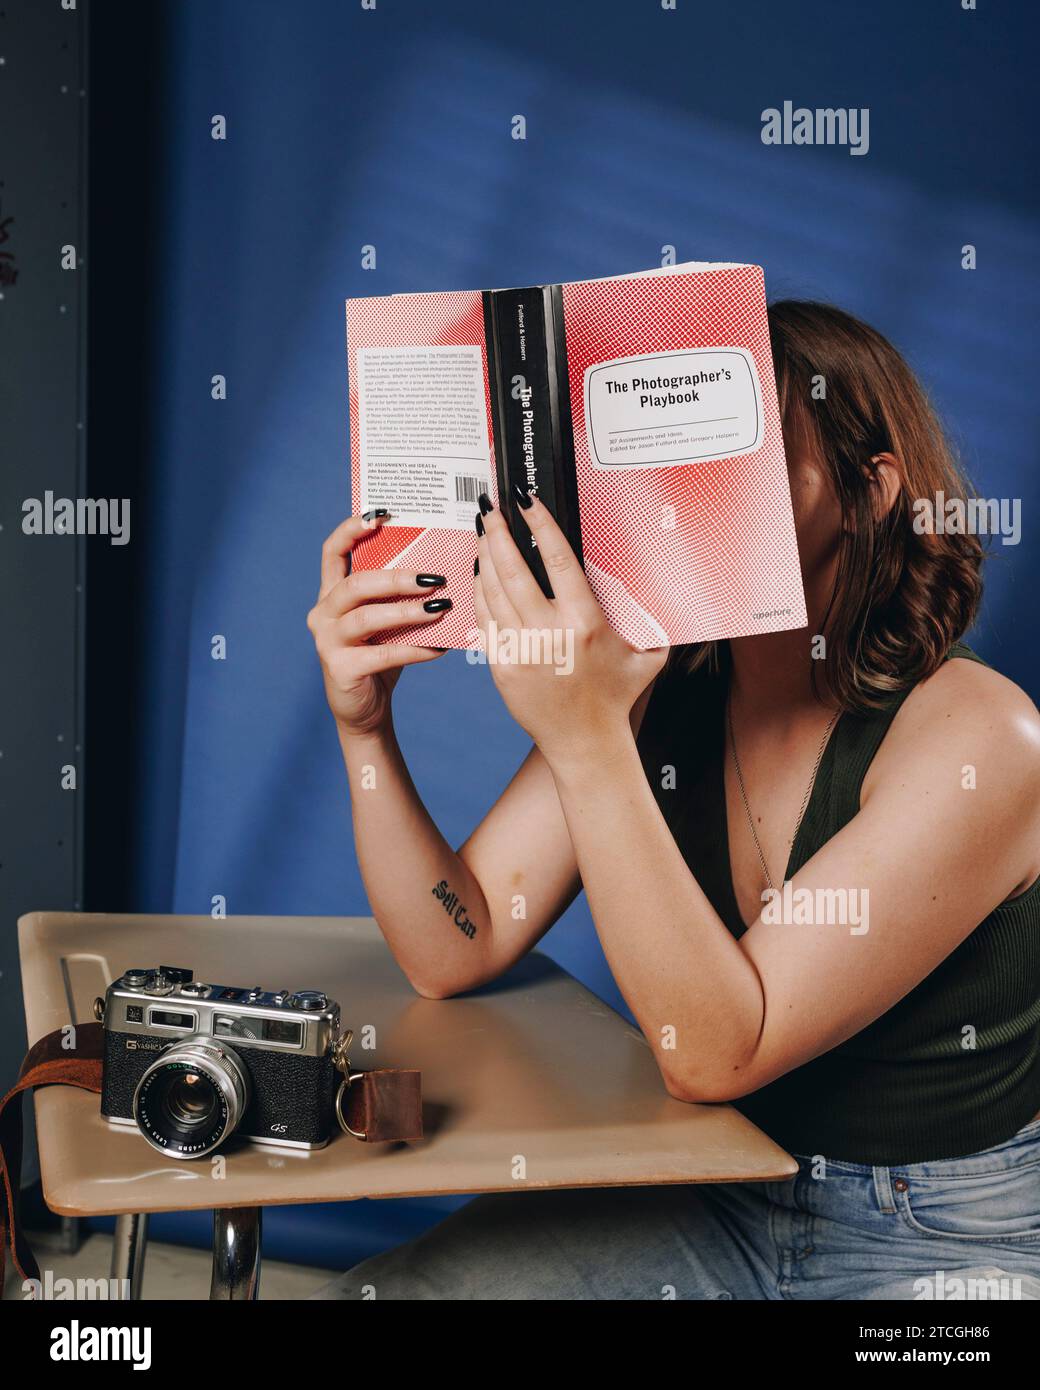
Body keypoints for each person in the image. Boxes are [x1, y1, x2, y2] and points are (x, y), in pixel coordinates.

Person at [306, 301, 1040, 1300]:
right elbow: (454, 941)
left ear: (869, 494)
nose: (683, 502)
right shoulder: (661, 688)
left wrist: (584, 734)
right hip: (719, 1182)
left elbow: (713, 1054)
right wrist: (364, 730)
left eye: (741, 460)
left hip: (941, 1237)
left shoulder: (982, 741)